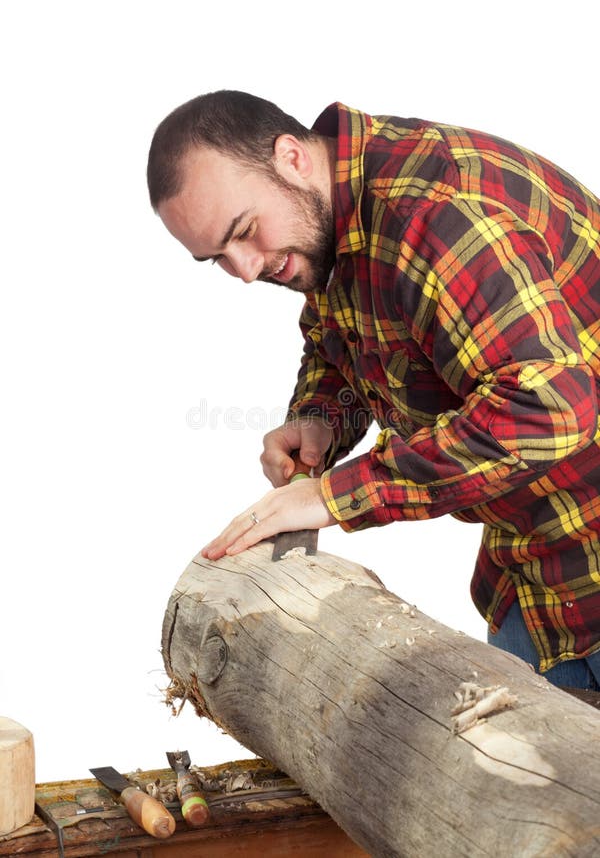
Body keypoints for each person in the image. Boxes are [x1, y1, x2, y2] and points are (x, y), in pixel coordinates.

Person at [147, 90, 600, 691]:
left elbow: (549, 407)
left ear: (291, 158)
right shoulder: (332, 219)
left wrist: (336, 496)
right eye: (218, 258)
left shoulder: (437, 216)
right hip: (537, 576)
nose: (247, 270)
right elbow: (353, 335)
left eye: (246, 232)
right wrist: (321, 418)